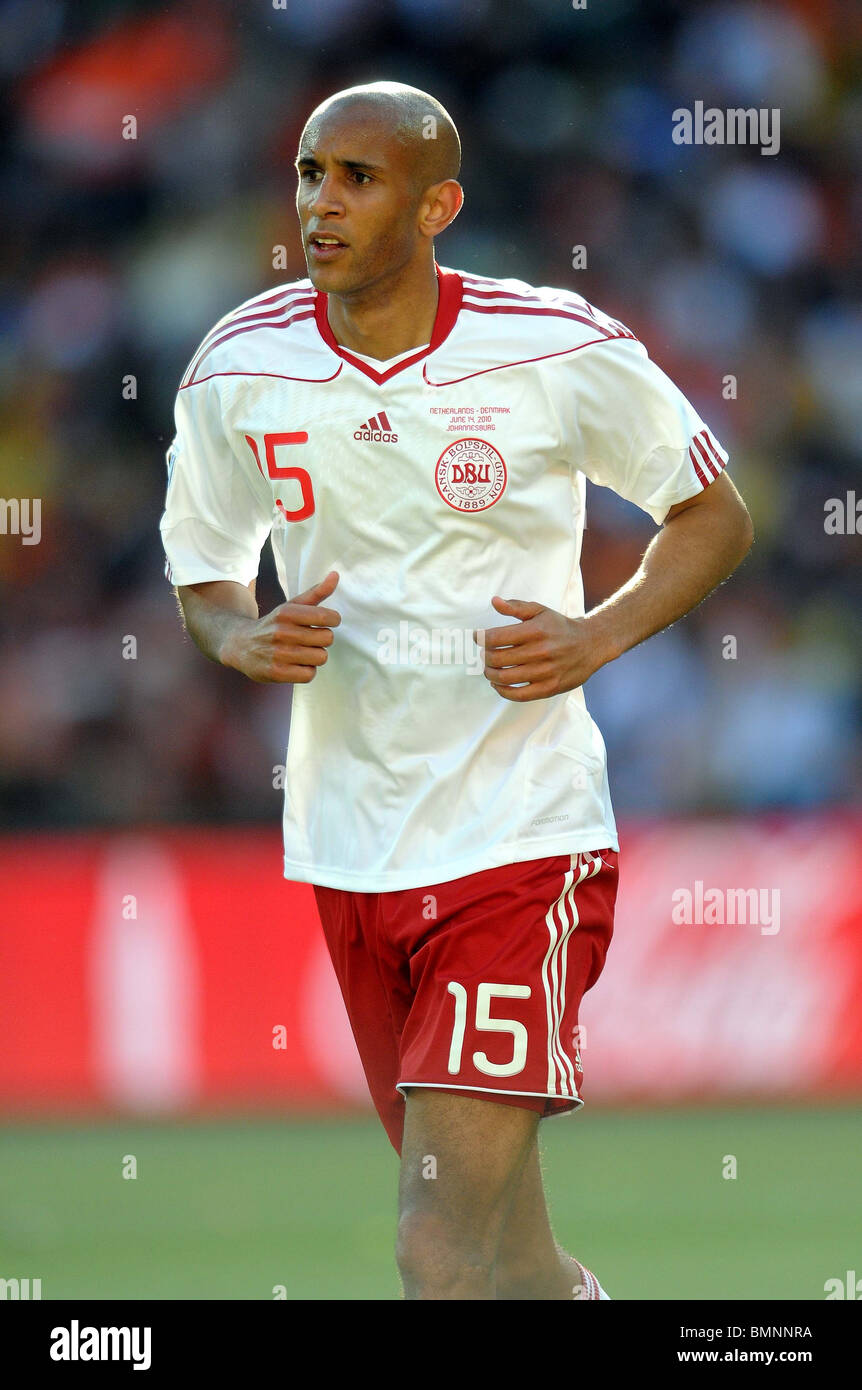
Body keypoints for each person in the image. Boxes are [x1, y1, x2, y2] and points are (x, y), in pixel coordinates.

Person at [160, 81, 754, 1300]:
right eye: (310, 173)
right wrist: (240, 641)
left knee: (435, 1249)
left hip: (516, 840)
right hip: (346, 845)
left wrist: (597, 634)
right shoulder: (239, 367)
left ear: (438, 204)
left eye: (357, 179)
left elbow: (712, 513)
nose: (321, 203)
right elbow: (203, 576)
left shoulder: (551, 350)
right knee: (509, 1265)